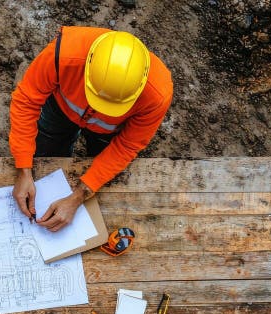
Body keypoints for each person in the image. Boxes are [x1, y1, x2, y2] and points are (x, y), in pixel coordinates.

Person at [9, 28, 173, 232]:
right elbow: (26, 101)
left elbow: (127, 146)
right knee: (48, 151)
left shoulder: (157, 95)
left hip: (108, 133)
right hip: (60, 110)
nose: (101, 109)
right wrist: (24, 169)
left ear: (139, 88)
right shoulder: (64, 54)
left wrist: (79, 196)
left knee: (101, 162)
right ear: (87, 66)